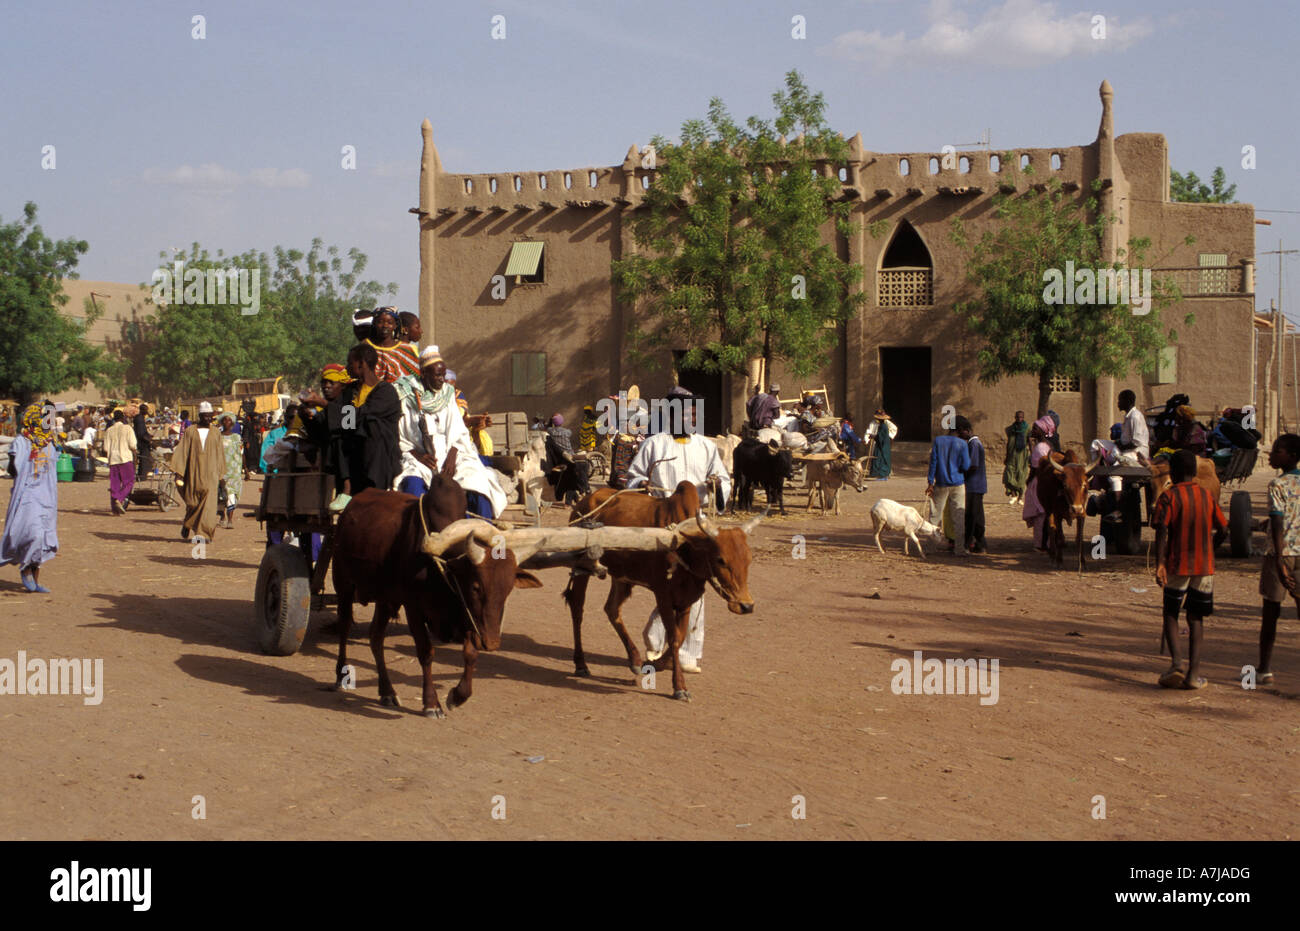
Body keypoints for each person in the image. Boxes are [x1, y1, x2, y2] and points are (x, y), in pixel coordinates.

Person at [625, 387, 732, 674]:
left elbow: (723, 478)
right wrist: (642, 486)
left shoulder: (706, 446)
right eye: (682, 412)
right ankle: (658, 637)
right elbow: (633, 478)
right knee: (666, 582)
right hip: (662, 523)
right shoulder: (654, 445)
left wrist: (716, 484)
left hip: (696, 526)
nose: (689, 416)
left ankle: (687, 652)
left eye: (692, 412)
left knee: (697, 584)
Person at [393, 346, 504, 517]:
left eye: (443, 375)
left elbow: (459, 432)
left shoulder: (448, 394)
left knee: (477, 483)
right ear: (423, 373)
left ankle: (481, 531)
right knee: (411, 485)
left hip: (453, 454)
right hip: (419, 458)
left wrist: (452, 457)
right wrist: (419, 456)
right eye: (437, 375)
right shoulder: (406, 395)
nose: (442, 379)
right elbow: (402, 436)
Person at [1152, 449, 1227, 690]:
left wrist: (1160, 563)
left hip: (1177, 564)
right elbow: (1224, 529)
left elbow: (1162, 530)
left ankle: (1176, 665)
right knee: (1196, 617)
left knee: (1171, 613)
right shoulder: (1206, 496)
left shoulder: (1168, 497)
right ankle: (1194, 675)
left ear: (1171, 472)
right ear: (1195, 472)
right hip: (1204, 567)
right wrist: (1211, 549)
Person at [1255, 434, 1300, 687]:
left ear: (1291, 456)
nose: (1271, 455)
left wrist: (1281, 561)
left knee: (1271, 612)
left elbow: (1280, 521)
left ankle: (1263, 670)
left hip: (1279, 556)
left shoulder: (1277, 484)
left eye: (1276, 451)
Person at [1, 403, 60, 592]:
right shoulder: (21, 441)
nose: (49, 421)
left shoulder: (51, 442)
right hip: (28, 494)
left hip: (48, 496)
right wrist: (17, 459)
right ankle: (25, 568)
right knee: (31, 533)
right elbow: (12, 469)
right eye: (47, 416)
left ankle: (33, 578)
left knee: (43, 536)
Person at [344, 342, 403, 497]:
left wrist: (351, 415)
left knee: (372, 425)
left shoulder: (385, 392)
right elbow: (347, 422)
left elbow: (361, 414)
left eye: (350, 363)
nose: (347, 367)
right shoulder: (350, 392)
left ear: (362, 364)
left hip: (381, 457)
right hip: (355, 454)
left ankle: (374, 489)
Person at [170, 401, 226, 542]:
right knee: (193, 503)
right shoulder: (190, 431)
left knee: (208, 506)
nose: (208, 419)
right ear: (200, 416)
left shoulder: (215, 433)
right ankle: (188, 523)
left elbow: (220, 454)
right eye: (205, 416)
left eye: (210, 416)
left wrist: (221, 476)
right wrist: (179, 472)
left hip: (211, 475)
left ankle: (203, 534)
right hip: (193, 473)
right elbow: (183, 452)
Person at [927, 419, 971, 557]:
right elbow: (966, 466)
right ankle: (959, 549)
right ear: (959, 430)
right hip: (958, 484)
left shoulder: (938, 441)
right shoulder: (962, 444)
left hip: (940, 483)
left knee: (935, 516)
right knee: (958, 517)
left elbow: (933, 462)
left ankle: (930, 547)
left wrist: (930, 482)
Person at [1021, 417, 1056, 550]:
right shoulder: (1046, 445)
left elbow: (1035, 469)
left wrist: (1029, 481)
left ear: (1042, 430)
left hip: (1039, 482)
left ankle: (1041, 543)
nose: (1033, 430)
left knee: (1039, 514)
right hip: (1044, 481)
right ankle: (1045, 542)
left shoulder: (1040, 448)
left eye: (1035, 428)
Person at [543, 414, 591, 506]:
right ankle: (580, 493)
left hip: (561, 457)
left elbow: (546, 429)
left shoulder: (550, 431)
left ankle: (574, 497)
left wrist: (549, 423)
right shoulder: (567, 432)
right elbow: (569, 433)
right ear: (562, 422)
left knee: (570, 476)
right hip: (571, 455)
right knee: (576, 474)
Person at [957, 416, 987, 554]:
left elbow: (973, 465)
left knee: (971, 516)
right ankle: (980, 544)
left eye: (960, 431)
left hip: (973, 485)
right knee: (977, 516)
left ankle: (968, 543)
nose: (959, 434)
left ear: (967, 430)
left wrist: (962, 475)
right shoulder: (973, 443)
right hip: (977, 485)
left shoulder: (973, 444)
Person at [367, 307, 420, 383]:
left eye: (389, 322)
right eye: (380, 322)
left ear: (395, 325)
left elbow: (417, 376)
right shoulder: (367, 349)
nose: (385, 325)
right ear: (374, 323)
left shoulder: (407, 350)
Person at [104, 410, 137, 516]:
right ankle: (119, 498)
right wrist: (135, 451)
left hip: (113, 459)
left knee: (115, 485)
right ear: (123, 418)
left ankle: (114, 510)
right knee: (129, 482)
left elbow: (105, 448)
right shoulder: (127, 428)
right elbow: (132, 445)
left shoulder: (109, 430)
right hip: (125, 458)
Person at [219, 415, 243, 530]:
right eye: (225, 419)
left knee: (231, 494)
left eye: (229, 420)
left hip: (235, 471)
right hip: (221, 469)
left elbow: (241, 453)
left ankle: (230, 520)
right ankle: (222, 515)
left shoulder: (237, 437)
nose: (227, 422)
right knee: (220, 495)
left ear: (232, 423)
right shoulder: (217, 437)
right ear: (221, 422)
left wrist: (246, 470)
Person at [1003, 410, 1030, 505]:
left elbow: (1030, 442)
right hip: (1012, 455)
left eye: (1021, 417)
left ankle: (1020, 497)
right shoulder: (1010, 429)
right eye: (1018, 417)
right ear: (1015, 417)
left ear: (1023, 418)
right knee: (1009, 475)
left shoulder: (1027, 429)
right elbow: (1008, 444)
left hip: (1022, 456)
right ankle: (1013, 495)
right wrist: (1006, 456)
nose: (1019, 419)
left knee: (1021, 476)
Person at [866, 409, 896, 480]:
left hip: (883, 445)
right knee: (877, 457)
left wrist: (874, 436)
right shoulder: (881, 425)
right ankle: (875, 473)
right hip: (880, 444)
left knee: (882, 458)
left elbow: (881, 436)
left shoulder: (883, 426)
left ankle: (884, 474)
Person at [133, 402, 153, 478]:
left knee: (143, 459)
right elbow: (141, 433)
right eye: (145, 410)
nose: (146, 412)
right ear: (142, 410)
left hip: (141, 441)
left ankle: (142, 474)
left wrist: (148, 435)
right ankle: (142, 475)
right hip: (142, 442)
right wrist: (148, 439)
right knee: (144, 459)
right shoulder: (139, 418)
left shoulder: (140, 418)